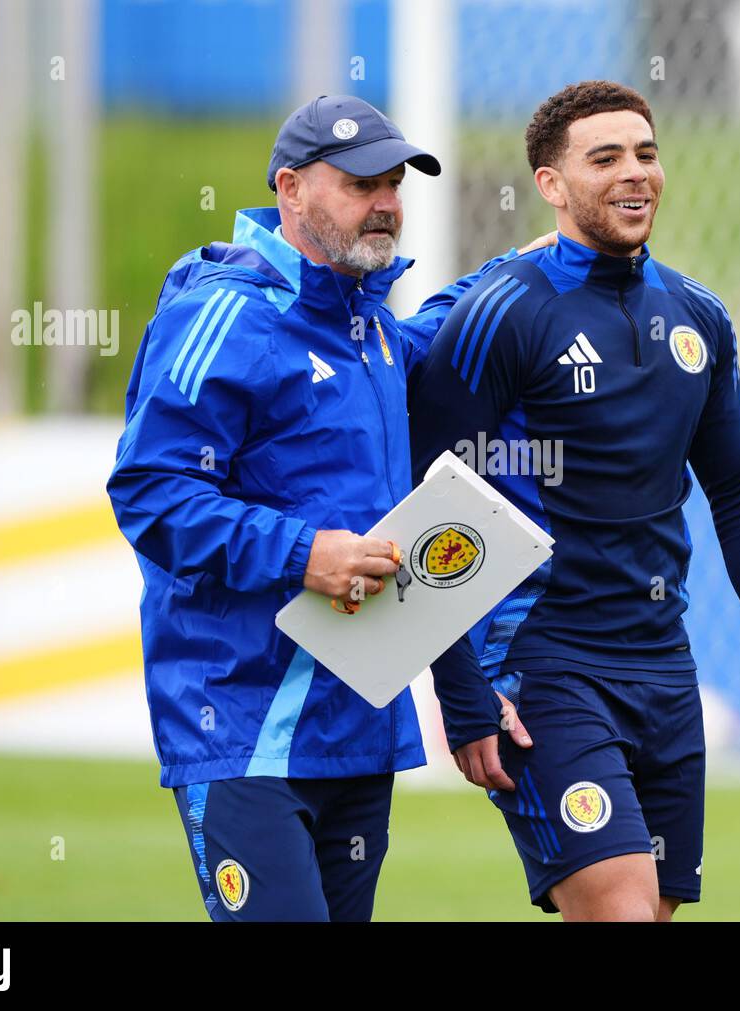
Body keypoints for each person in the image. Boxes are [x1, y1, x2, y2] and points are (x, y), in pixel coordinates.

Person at [107, 94, 547, 921]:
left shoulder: (366, 326)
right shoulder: (226, 313)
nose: (385, 202)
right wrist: (305, 553)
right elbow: (150, 491)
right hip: (242, 723)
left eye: (393, 183)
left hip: (356, 728)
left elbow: (431, 334)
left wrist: (519, 271)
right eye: (359, 183)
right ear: (290, 189)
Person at [407, 80, 740, 922]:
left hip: (664, 666)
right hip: (542, 664)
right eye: (604, 158)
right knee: (622, 913)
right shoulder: (504, 312)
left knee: (650, 911)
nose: (634, 171)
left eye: (645, 152)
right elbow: (428, 505)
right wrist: (460, 687)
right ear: (551, 184)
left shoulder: (700, 317)